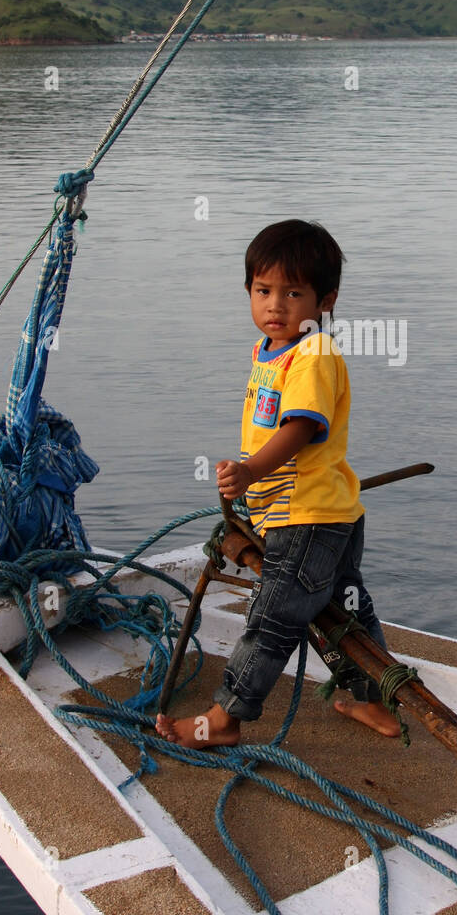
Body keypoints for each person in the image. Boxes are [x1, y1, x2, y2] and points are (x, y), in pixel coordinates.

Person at [155, 218, 399, 748]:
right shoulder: (269, 351)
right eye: (263, 291)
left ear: (325, 300)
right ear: (248, 291)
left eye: (293, 293)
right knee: (347, 607)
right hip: (325, 513)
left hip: (307, 517)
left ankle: (227, 719)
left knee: (270, 621)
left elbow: (301, 426)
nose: (276, 306)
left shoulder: (312, 354)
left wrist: (248, 473)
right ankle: (375, 702)